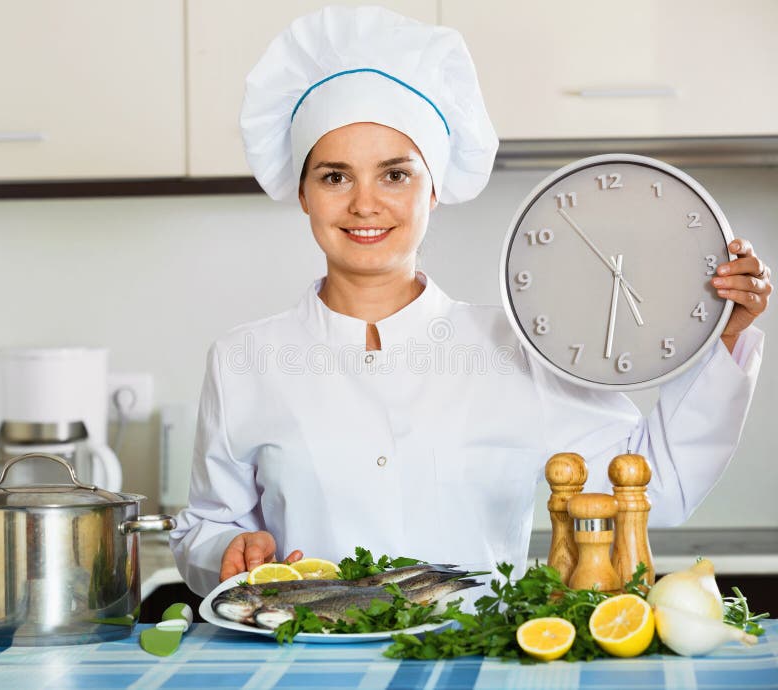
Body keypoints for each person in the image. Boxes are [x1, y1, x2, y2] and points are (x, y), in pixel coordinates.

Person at [170, 5, 771, 598]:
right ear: (303, 193)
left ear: (434, 189)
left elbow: (653, 488)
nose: (364, 204)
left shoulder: (516, 349)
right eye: (334, 176)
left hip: (472, 662)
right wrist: (224, 550)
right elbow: (208, 523)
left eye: (395, 174)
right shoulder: (244, 358)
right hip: (306, 665)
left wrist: (724, 334)